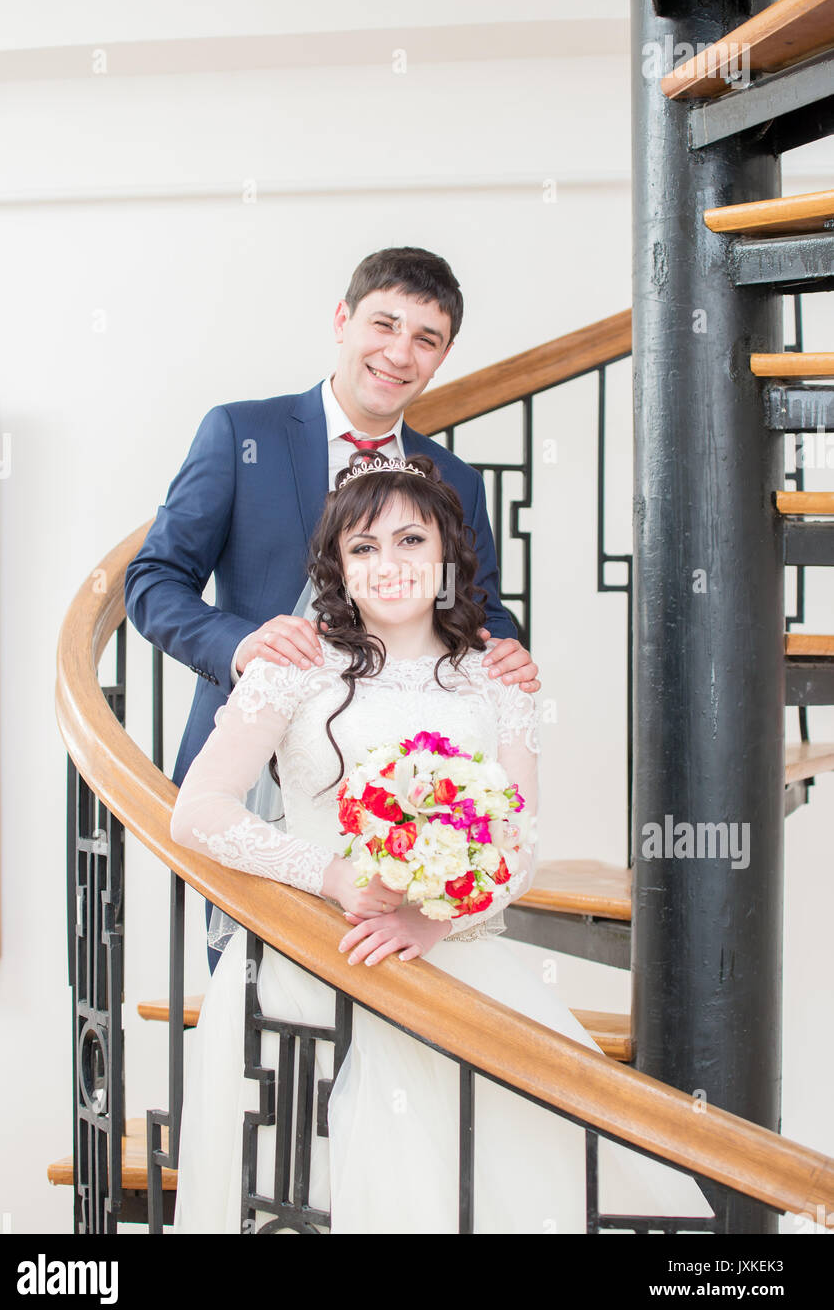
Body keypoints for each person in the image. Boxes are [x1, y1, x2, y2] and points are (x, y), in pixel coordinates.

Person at [169, 452, 714, 1233]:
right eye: (362, 549)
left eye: (409, 541)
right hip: (323, 948)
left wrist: (432, 919)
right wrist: (335, 878)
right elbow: (198, 811)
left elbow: (516, 841)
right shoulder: (292, 668)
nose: (387, 565)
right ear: (338, 568)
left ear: (448, 555)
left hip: (453, 949)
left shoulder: (498, 680)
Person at [125, 245, 541, 973]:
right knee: (263, 1008)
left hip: (399, 783)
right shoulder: (240, 433)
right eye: (384, 324)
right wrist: (243, 646)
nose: (398, 353)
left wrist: (502, 646)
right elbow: (154, 580)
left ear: (441, 358)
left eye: (425, 339)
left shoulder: (456, 480)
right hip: (253, 752)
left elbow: (475, 606)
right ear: (343, 320)